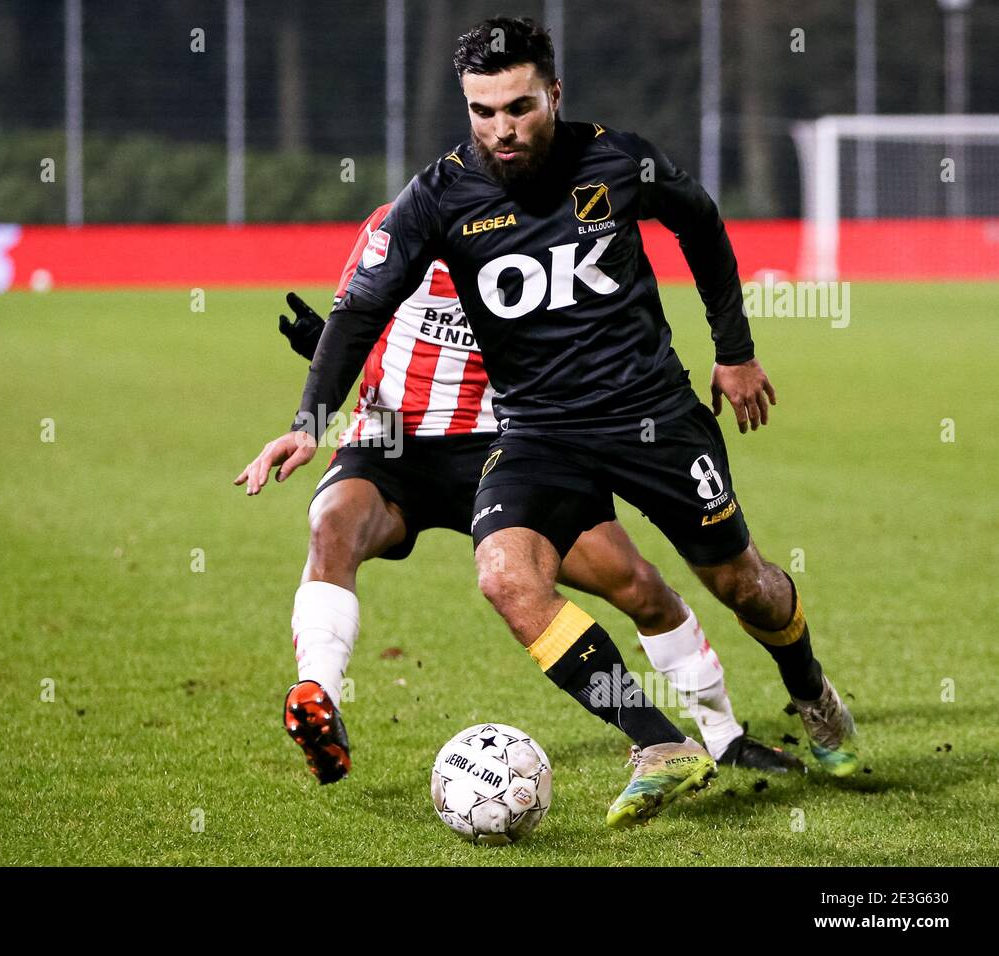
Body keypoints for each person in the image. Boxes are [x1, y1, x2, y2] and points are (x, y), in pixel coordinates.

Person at [237, 17, 856, 828]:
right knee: (504, 577)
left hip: (652, 416)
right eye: (483, 110)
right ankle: (660, 744)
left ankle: (810, 692)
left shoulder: (617, 158)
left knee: (747, 586)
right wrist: (311, 417)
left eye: (520, 107)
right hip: (536, 432)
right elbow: (358, 311)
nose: (502, 128)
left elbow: (700, 221)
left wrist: (734, 352)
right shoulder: (438, 195)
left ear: (554, 95)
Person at [251, 204, 801, 787]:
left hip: (504, 447)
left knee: (639, 586)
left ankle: (722, 738)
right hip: (391, 440)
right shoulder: (394, 225)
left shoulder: (547, 236)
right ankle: (319, 696)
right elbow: (356, 315)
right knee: (331, 527)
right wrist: (323, 377)